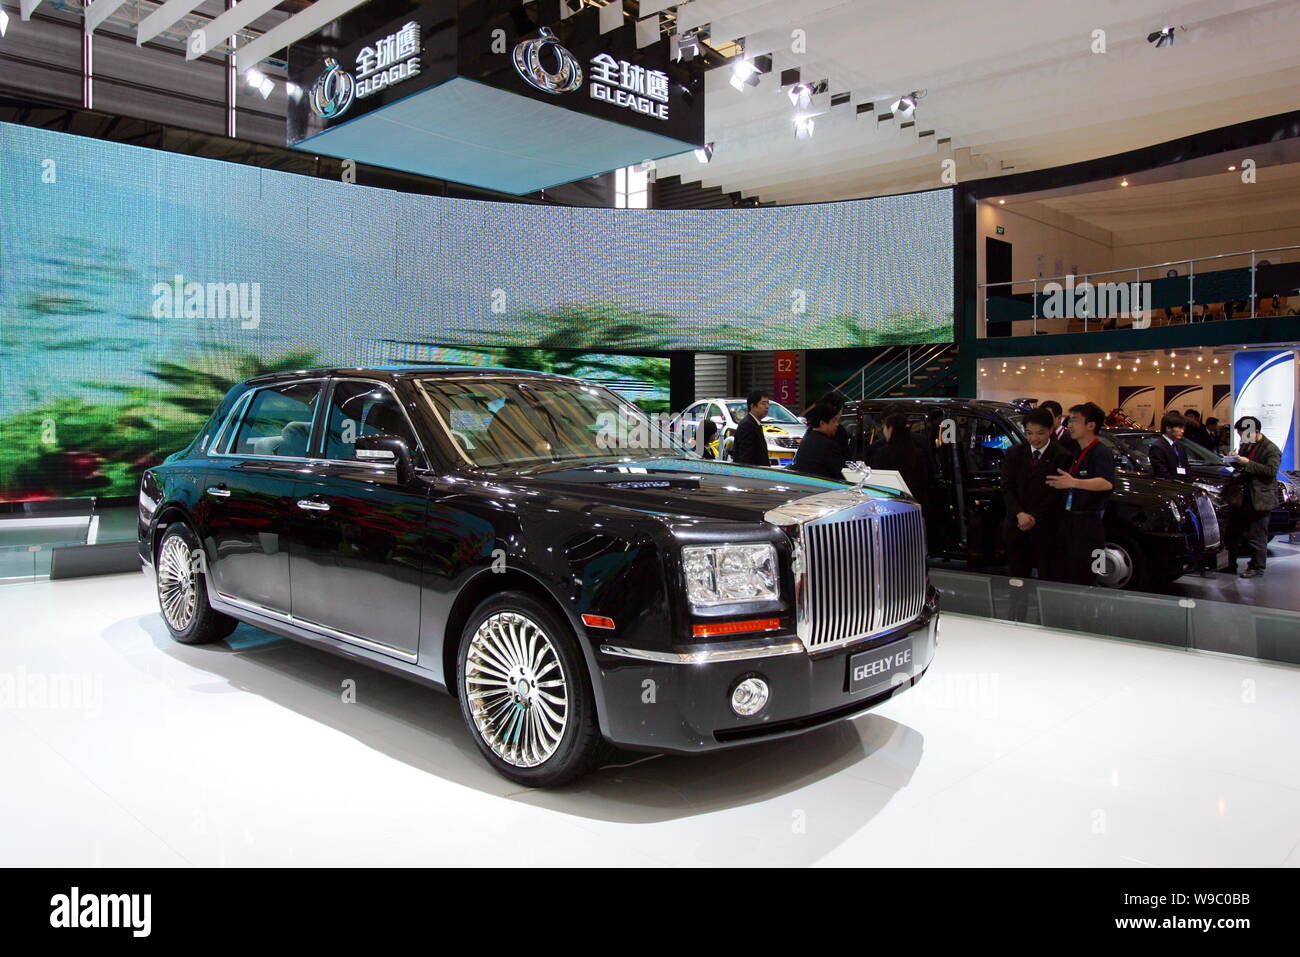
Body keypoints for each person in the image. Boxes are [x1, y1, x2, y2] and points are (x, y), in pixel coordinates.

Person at [1045, 402, 1116, 586]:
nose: (1070, 425)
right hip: (1069, 521)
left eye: (1075, 420)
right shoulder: (1078, 451)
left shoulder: (1101, 452)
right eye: (1069, 420)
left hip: (1088, 525)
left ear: (1091, 425)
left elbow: (1106, 482)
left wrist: (1074, 482)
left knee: (1085, 575)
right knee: (1064, 573)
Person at [1001, 407, 1071, 580]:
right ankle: (1017, 608)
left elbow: (1056, 493)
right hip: (1017, 524)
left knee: (1048, 575)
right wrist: (1019, 514)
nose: (1034, 438)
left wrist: (1034, 517)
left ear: (1050, 430)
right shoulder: (1014, 453)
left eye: (1040, 433)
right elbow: (1007, 487)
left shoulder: (1062, 456)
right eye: (1029, 433)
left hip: (1046, 527)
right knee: (1017, 576)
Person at [1223, 416, 1281, 578]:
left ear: (1255, 431)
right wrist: (1234, 459)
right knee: (1232, 533)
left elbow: (1270, 471)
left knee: (1257, 535)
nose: (1241, 437)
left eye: (1243, 433)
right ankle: (1229, 564)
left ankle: (1256, 567)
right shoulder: (1246, 445)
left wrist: (1247, 463)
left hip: (1259, 499)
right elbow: (1243, 467)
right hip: (1240, 497)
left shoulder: (1271, 449)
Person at [866, 412, 931, 508]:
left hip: (892, 505)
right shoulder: (918, 453)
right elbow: (926, 481)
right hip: (916, 504)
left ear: (890, 429)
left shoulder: (882, 453)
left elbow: (878, 483)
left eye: (884, 427)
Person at [791, 402, 847, 481]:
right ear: (822, 423)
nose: (837, 424)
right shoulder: (829, 445)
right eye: (834, 421)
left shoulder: (805, 441)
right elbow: (838, 473)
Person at [1149, 411, 1192, 481]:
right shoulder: (1157, 447)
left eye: (1183, 428)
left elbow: (1187, 468)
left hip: (1184, 486)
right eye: (1179, 428)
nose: (1182, 431)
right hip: (1168, 487)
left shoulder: (1180, 446)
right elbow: (1162, 472)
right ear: (1168, 428)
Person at [731, 390, 770, 466]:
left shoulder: (755, 423)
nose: (767, 407)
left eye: (768, 403)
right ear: (752, 406)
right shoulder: (747, 425)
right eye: (763, 403)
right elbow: (746, 457)